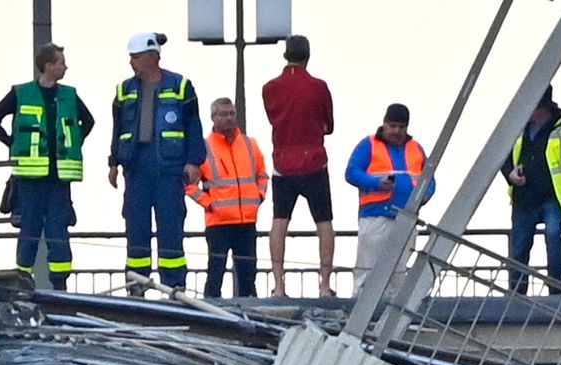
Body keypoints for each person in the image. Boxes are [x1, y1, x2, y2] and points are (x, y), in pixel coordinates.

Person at [0, 42, 96, 291]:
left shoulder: (68, 94)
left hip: (59, 177)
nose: (65, 66)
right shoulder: (21, 93)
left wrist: (73, 142)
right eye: (61, 62)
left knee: (58, 232)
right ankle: (23, 283)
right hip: (30, 177)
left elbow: (88, 121)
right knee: (29, 231)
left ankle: (61, 287)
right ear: (48, 65)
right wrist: (12, 144)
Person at [108, 32, 206, 295]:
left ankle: (174, 285)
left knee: (171, 226)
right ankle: (136, 285)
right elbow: (118, 128)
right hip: (136, 167)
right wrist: (113, 162)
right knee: (136, 227)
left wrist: (194, 162)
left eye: (136, 57)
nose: (132, 63)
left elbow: (193, 126)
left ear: (153, 57)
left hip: (169, 168)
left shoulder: (180, 86)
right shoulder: (124, 90)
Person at [261, 34, 336, 297]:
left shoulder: (270, 88)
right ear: (308, 55)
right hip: (314, 160)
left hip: (283, 161)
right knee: (323, 221)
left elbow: (273, 118)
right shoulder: (318, 86)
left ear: (286, 55)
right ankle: (324, 285)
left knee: (280, 221)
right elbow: (329, 124)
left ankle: (279, 285)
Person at [501, 85, 561, 295]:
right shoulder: (519, 129)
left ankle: (556, 289)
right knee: (519, 247)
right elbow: (503, 159)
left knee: (553, 235)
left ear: (541, 107)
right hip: (523, 199)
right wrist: (510, 175)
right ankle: (517, 294)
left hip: (552, 199)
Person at [344, 103, 435, 299]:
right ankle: (361, 306)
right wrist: (376, 183)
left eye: (401, 127)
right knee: (368, 268)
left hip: (407, 217)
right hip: (376, 216)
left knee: (398, 272)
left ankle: (390, 310)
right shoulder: (368, 144)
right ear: (384, 124)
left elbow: (429, 178)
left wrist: (425, 195)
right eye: (392, 126)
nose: (396, 131)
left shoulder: (416, 148)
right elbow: (351, 172)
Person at [185, 98, 268, 298]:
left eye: (231, 113)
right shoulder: (203, 149)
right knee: (216, 273)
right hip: (218, 222)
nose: (229, 118)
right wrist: (209, 204)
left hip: (246, 221)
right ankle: (210, 315)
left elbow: (262, 175)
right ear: (213, 118)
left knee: (249, 274)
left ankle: (250, 313)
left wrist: (259, 195)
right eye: (223, 114)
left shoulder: (250, 144)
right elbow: (188, 184)